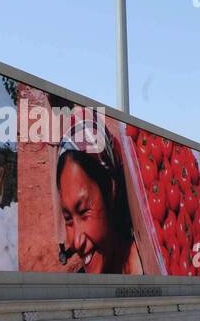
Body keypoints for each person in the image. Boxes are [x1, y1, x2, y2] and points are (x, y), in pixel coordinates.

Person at [55, 117, 141, 275]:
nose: (75, 241)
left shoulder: (149, 269)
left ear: (110, 190)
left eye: (83, 212)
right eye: (68, 218)